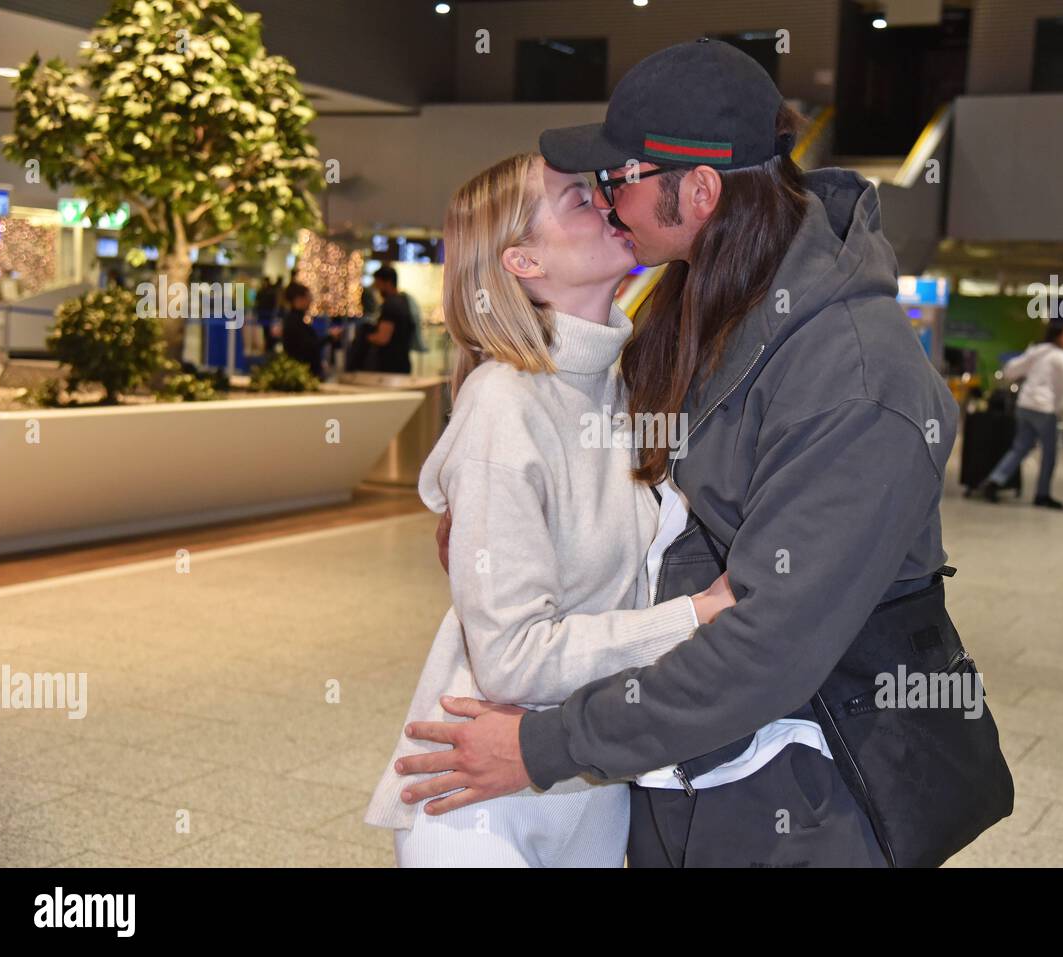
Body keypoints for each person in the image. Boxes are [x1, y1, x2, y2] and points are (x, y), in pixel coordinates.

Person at [393, 39, 1013, 868]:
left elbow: (767, 647)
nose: (610, 204)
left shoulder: (858, 382)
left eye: (619, 181)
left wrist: (546, 745)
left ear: (699, 189)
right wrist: (497, 530)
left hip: (806, 798)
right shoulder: (695, 300)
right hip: (672, 779)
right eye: (589, 193)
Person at [363, 153, 735, 867]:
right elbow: (507, 658)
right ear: (524, 260)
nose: (607, 204)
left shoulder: (622, 387)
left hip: (589, 776)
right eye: (576, 202)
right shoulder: (505, 405)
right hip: (477, 798)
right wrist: (692, 618)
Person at [976, 321, 1063, 509]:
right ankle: (1042, 494)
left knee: (1020, 447)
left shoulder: (1038, 351)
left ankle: (994, 481)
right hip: (1044, 409)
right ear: (1058, 336)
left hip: (1025, 405)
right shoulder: (1061, 357)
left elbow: (1011, 369)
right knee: (1049, 453)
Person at [278, 281, 339, 379]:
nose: (310, 300)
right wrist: (329, 337)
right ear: (298, 299)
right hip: (303, 373)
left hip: (302, 372)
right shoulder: (295, 321)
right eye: (308, 297)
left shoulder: (295, 319)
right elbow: (309, 346)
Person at [367, 266, 416, 374]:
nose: (376, 287)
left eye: (378, 283)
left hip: (390, 368)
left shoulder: (390, 304)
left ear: (387, 282)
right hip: (402, 364)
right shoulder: (403, 300)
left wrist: (366, 337)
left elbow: (382, 338)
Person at [254, 276, 282, 353]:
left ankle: (269, 347)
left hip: (268, 315)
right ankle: (268, 347)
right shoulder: (265, 291)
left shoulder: (268, 292)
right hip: (265, 315)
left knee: (269, 331)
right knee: (266, 331)